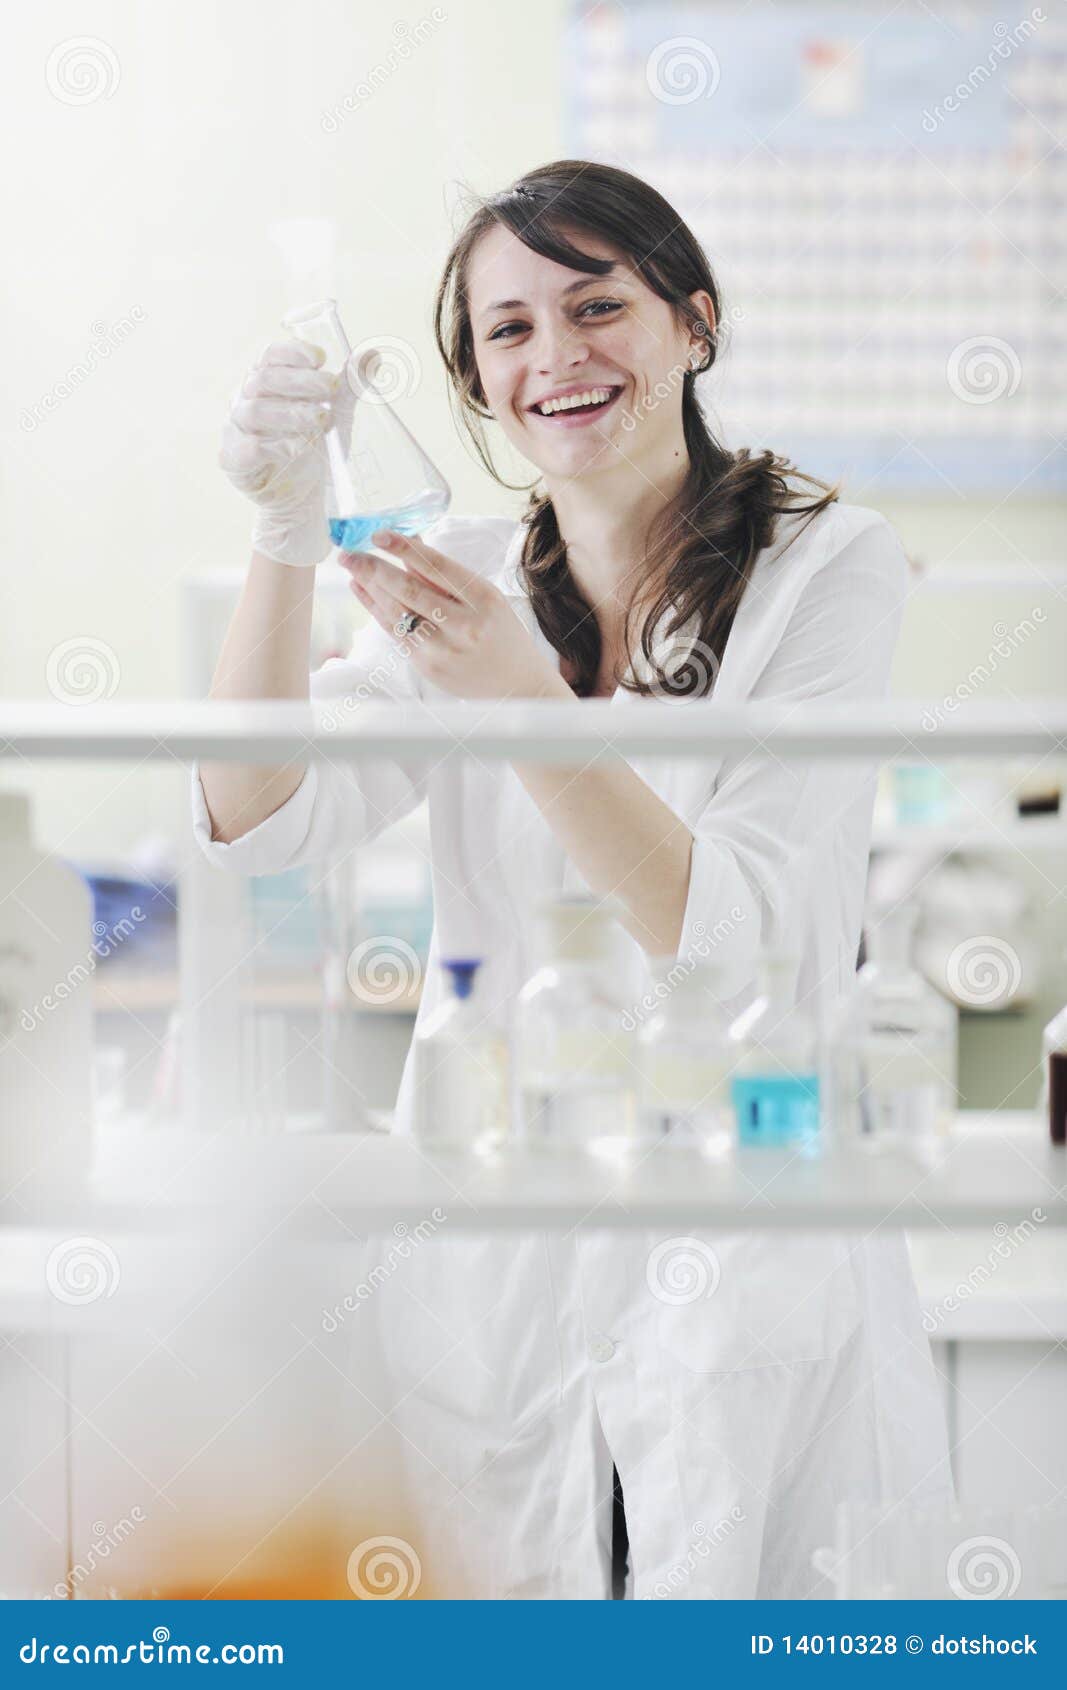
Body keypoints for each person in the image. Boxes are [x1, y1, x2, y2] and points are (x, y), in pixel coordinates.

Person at [193, 160, 952, 1599]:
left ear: (694, 326)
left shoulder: (825, 568)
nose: (559, 357)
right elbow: (260, 809)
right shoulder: (466, 574)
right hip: (504, 1276)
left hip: (740, 1261)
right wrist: (285, 534)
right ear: (474, 382)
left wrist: (523, 700)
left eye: (600, 307)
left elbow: (735, 937)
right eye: (510, 331)